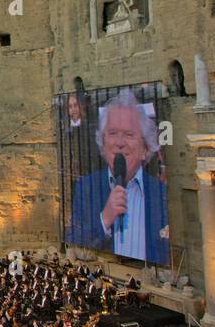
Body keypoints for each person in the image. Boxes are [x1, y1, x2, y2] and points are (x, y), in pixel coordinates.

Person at [67, 89, 169, 264]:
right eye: (113, 133)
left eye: (129, 135)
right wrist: (104, 219)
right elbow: (72, 240)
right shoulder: (85, 188)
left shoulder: (161, 194)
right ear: (103, 143)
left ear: (145, 149)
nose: (120, 143)